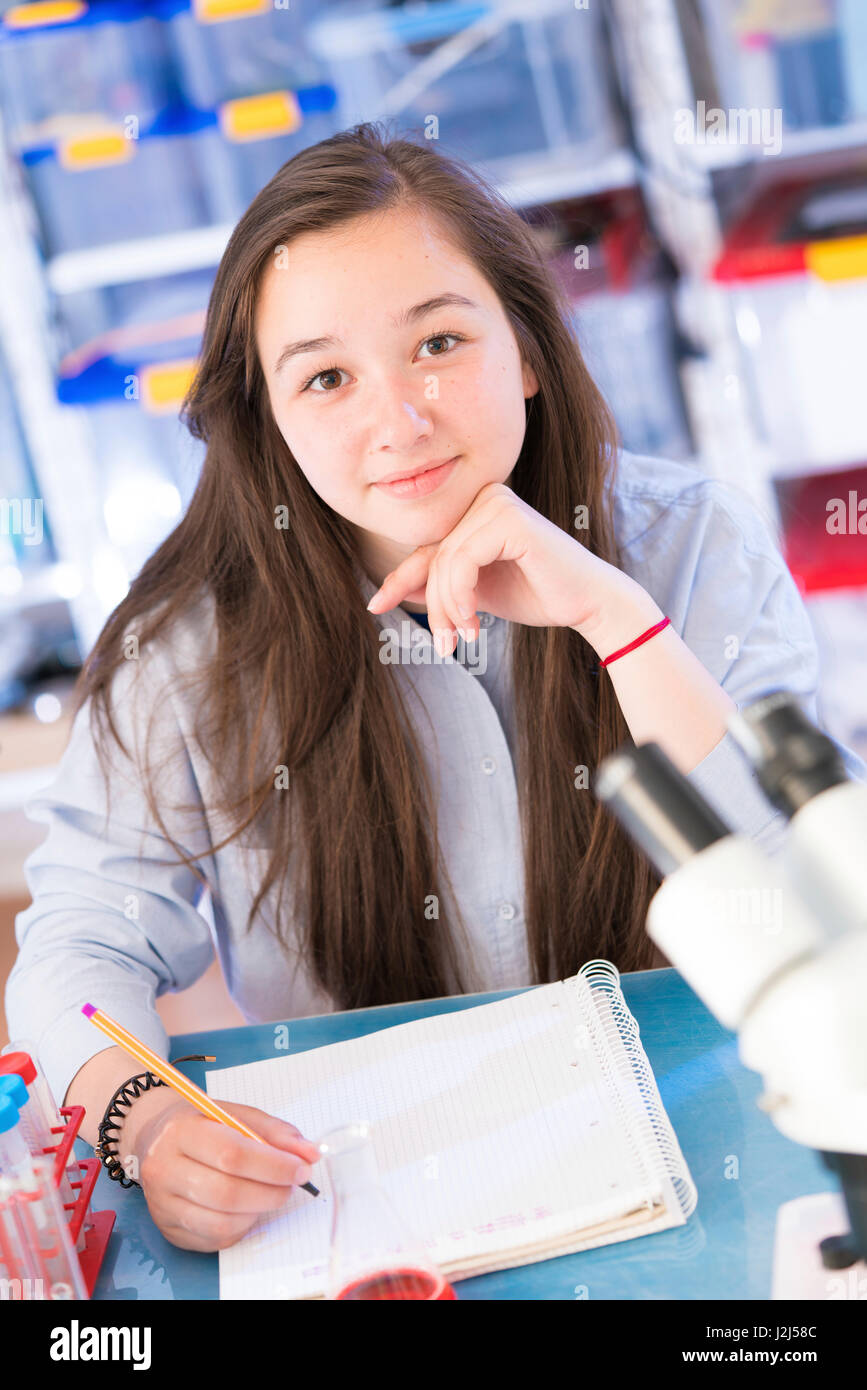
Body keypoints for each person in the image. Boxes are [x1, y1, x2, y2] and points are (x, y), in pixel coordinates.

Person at [6, 122, 865, 1255]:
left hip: (728, 1172)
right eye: (324, 377)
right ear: (267, 420)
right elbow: (73, 949)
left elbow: (814, 914)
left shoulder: (690, 545)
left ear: (528, 348)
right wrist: (145, 1116)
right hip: (374, 1221)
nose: (396, 420)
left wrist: (618, 619)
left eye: (439, 343)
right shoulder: (190, 648)